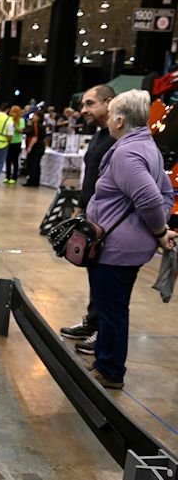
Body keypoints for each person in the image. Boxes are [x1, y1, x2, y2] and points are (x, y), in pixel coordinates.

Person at [84, 89, 176, 389]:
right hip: (127, 244)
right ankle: (104, 361)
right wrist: (155, 228)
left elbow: (150, 198)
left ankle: (109, 370)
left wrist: (159, 231)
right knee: (113, 307)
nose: (109, 120)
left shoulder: (126, 152)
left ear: (120, 120)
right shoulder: (147, 146)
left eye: (111, 115)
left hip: (116, 248)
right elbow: (165, 193)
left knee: (111, 310)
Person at [60, 85, 117, 352]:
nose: (83, 110)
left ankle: (103, 333)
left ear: (110, 103)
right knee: (94, 273)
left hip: (109, 223)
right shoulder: (100, 134)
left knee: (107, 281)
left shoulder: (120, 140)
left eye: (90, 104)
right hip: (92, 218)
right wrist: (81, 208)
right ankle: (93, 322)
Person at [22, 109, 46, 187]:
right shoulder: (41, 126)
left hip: (36, 147)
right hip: (41, 147)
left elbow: (35, 137)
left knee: (32, 164)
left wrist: (29, 147)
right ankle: (35, 181)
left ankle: (31, 181)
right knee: (36, 164)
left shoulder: (36, 126)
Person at [4, 105, 25, 184]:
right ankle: (7, 176)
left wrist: (15, 126)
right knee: (8, 159)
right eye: (12, 112)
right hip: (9, 141)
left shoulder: (21, 120)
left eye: (14, 112)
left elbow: (21, 131)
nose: (12, 114)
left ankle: (14, 177)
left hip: (17, 142)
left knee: (15, 160)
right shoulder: (9, 119)